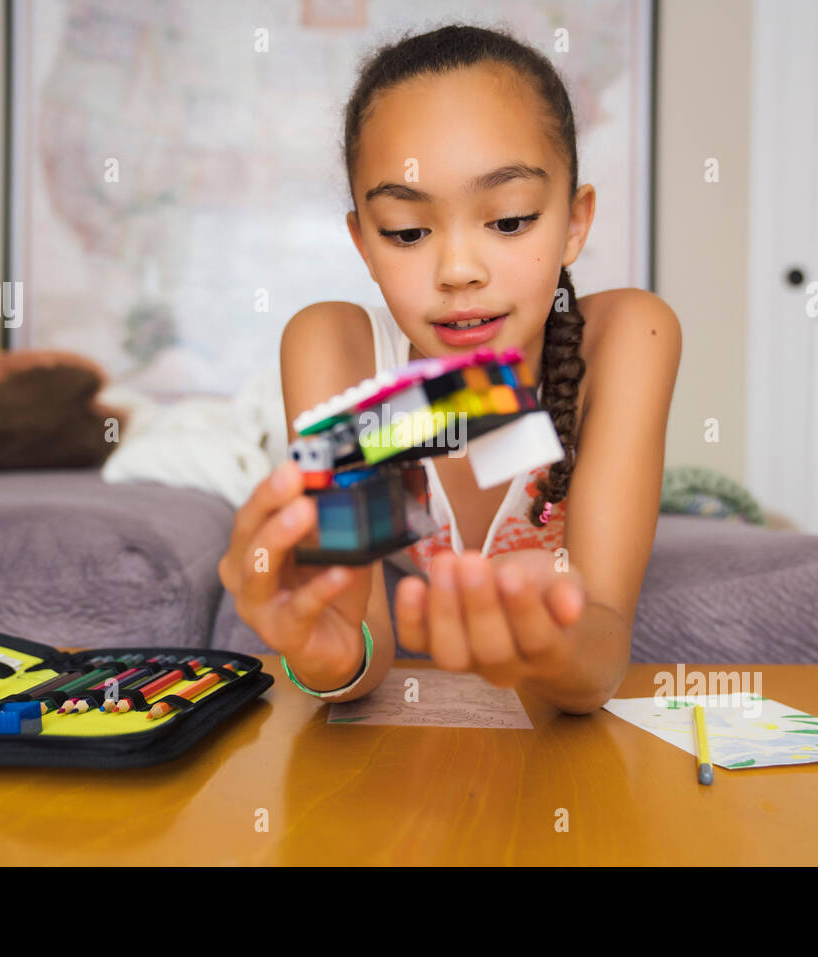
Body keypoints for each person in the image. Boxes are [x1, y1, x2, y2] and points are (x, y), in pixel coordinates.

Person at [218, 23, 680, 715]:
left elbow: (602, 642)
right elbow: (358, 638)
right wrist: (329, 654)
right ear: (364, 244)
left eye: (511, 220)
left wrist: (552, 647)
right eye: (407, 232)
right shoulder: (333, 346)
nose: (458, 271)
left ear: (575, 222)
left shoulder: (629, 335)